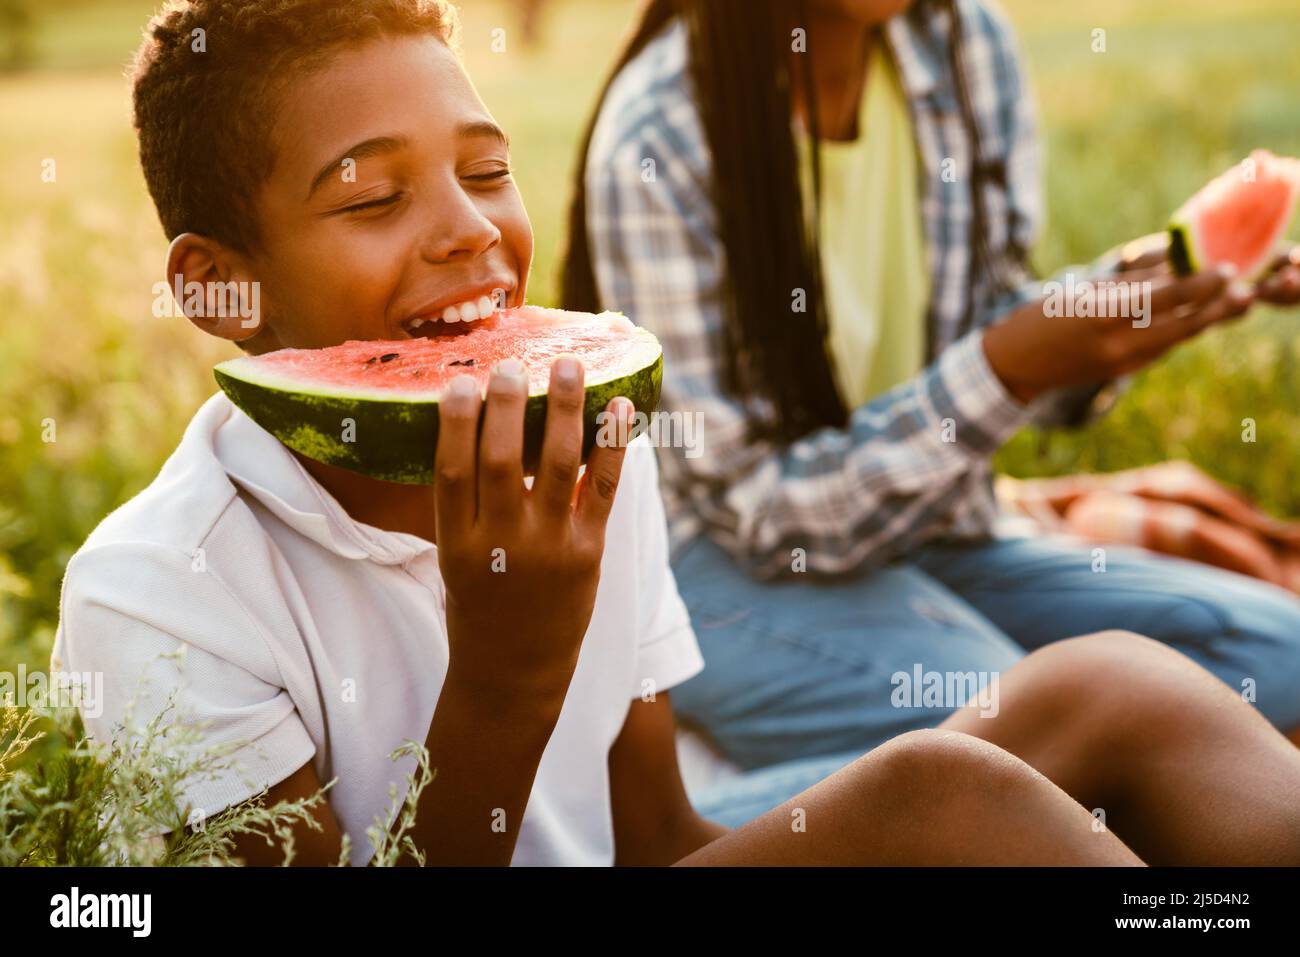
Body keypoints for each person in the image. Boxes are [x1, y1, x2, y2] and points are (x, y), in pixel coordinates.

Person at [51, 0, 1300, 867]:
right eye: (373, 197)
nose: (470, 232)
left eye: (486, 173)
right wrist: (509, 671)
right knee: (950, 780)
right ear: (221, 285)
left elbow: (654, 842)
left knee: (1108, 679)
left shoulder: (586, 435)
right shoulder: (162, 600)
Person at [561, 0, 1300, 818]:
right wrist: (1006, 369)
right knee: (1044, 731)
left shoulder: (961, 41)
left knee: (1278, 654)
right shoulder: (657, 135)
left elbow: (989, 322)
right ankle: (650, 836)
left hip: (932, 527)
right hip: (724, 569)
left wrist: (1124, 310)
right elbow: (762, 509)